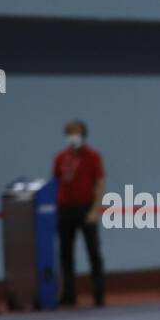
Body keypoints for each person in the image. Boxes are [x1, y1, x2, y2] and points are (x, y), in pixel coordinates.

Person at [51, 120, 107, 307]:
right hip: (65, 208)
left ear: (83, 135)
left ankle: (98, 293)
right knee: (65, 254)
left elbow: (100, 183)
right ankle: (69, 294)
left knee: (93, 252)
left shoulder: (93, 157)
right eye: (69, 133)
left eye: (75, 133)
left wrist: (95, 209)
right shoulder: (61, 157)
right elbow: (55, 182)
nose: (72, 137)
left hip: (85, 207)